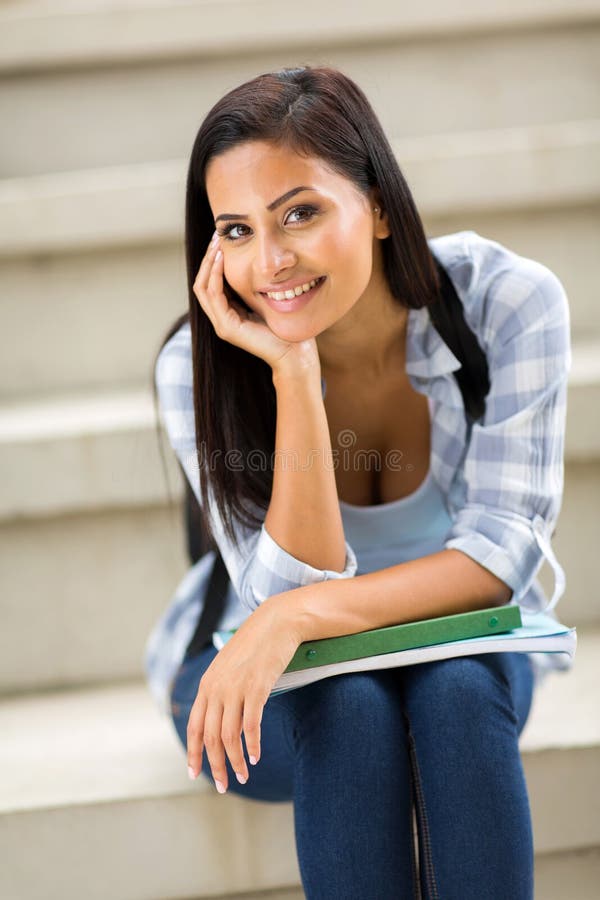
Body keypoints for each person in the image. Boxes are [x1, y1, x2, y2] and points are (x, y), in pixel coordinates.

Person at [144, 66, 572, 899]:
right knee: (347, 703)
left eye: (299, 212)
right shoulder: (194, 369)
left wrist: (299, 615)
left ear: (378, 205)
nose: (268, 262)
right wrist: (295, 374)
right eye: (234, 230)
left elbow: (499, 558)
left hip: (457, 641)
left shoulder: (507, 304)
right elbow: (273, 600)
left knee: (452, 695)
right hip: (252, 668)